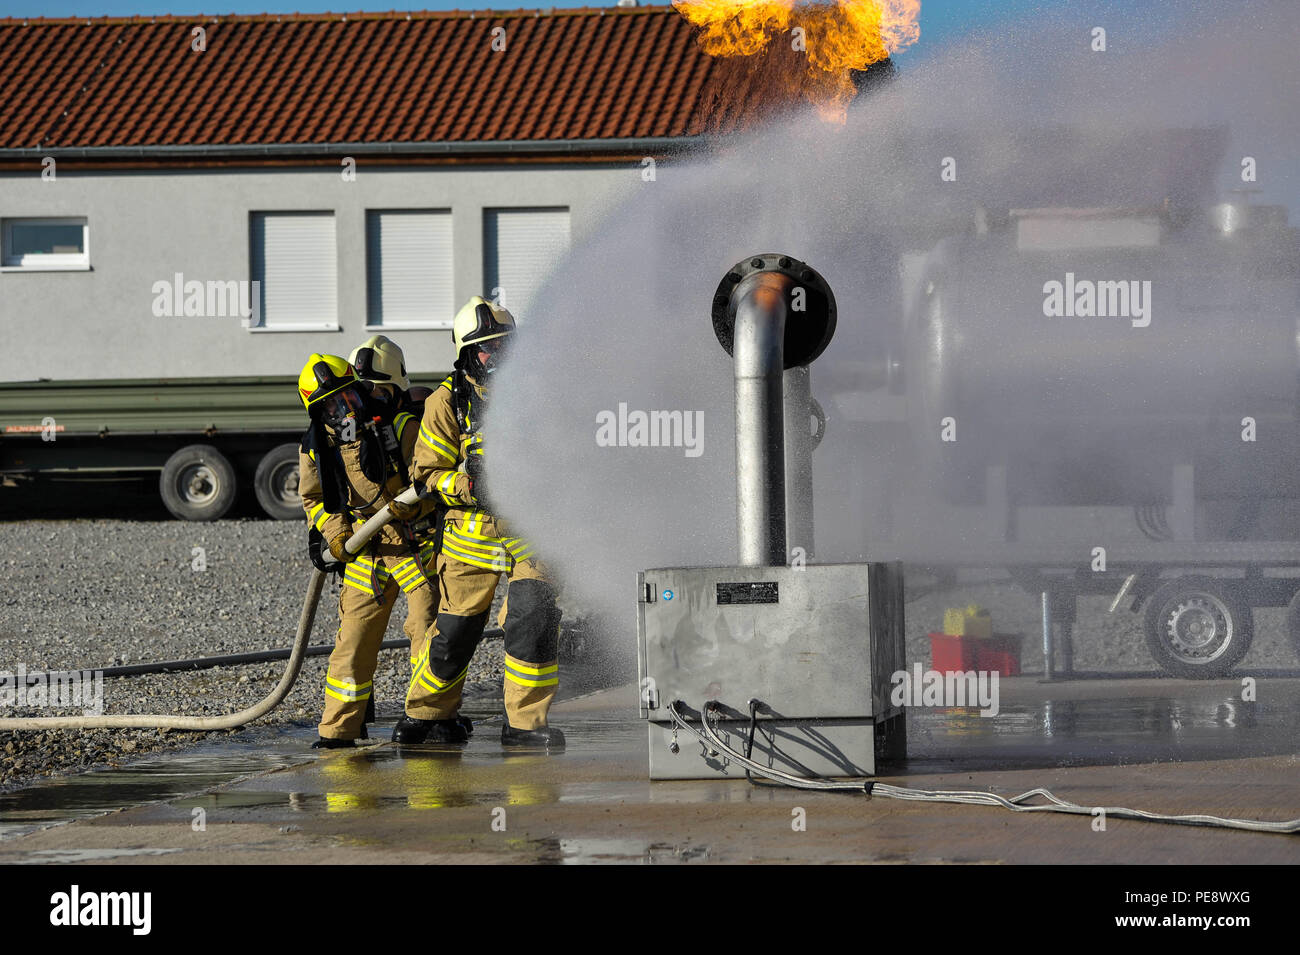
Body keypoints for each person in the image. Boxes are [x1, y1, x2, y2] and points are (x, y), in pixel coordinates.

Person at [391, 297, 565, 749]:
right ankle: (429, 716)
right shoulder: (444, 403)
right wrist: (468, 486)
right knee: (455, 634)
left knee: (532, 617)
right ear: (467, 354)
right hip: (469, 538)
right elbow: (425, 476)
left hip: (531, 531)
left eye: (503, 346)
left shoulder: (539, 393)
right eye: (485, 349)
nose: (496, 357)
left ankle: (526, 724)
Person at [296, 353, 441, 748]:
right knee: (353, 643)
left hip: (414, 545)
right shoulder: (316, 448)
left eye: (348, 399)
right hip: (365, 551)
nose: (342, 411)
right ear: (316, 411)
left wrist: (416, 505)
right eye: (330, 406)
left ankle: (426, 718)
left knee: (426, 627)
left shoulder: (399, 425)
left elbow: (433, 478)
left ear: (359, 392)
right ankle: (338, 731)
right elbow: (315, 500)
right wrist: (338, 535)